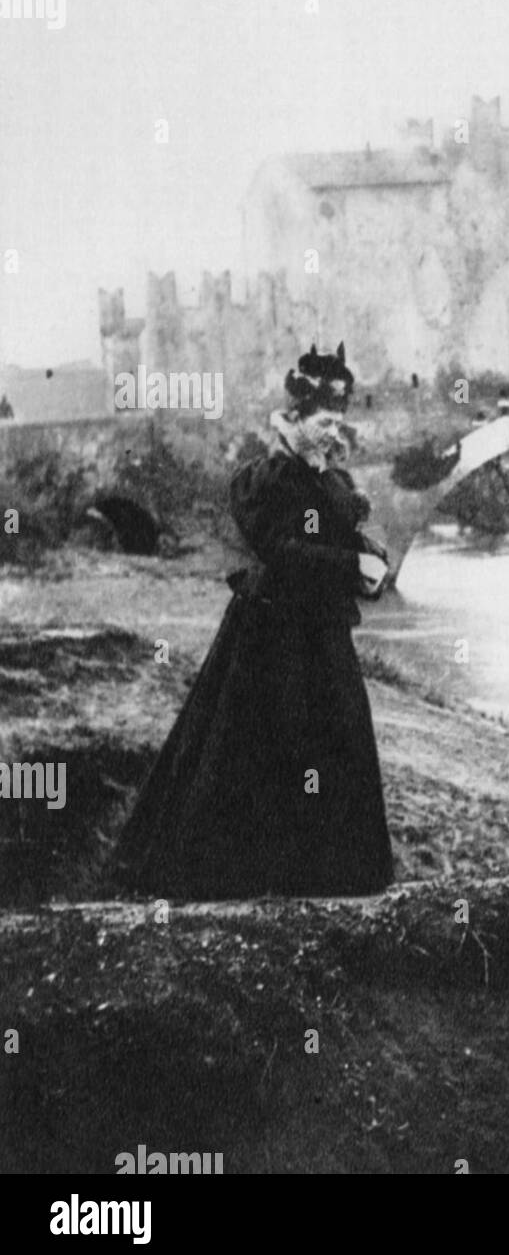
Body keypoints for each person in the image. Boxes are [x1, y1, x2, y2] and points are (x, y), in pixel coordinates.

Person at [114, 344, 396, 897]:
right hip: (274, 636)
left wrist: (371, 562)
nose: (332, 429)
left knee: (336, 739)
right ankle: (253, 876)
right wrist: (349, 564)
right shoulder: (271, 481)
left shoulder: (330, 483)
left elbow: (337, 541)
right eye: (322, 419)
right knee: (268, 743)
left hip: (321, 635)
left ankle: (331, 876)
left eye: (338, 418)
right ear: (293, 420)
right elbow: (286, 553)